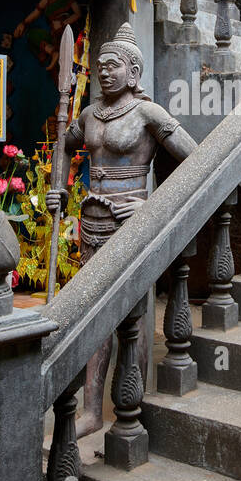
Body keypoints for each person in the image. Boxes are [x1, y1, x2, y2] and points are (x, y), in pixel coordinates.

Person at [47, 22, 195, 437]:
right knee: (93, 315)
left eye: (113, 66)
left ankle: (133, 406)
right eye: (101, 66)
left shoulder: (148, 113)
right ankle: (92, 410)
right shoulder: (88, 115)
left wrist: (155, 206)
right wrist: (59, 188)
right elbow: (64, 146)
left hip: (131, 223)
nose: (104, 72)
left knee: (133, 315)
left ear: (133, 73)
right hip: (91, 220)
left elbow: (196, 158)